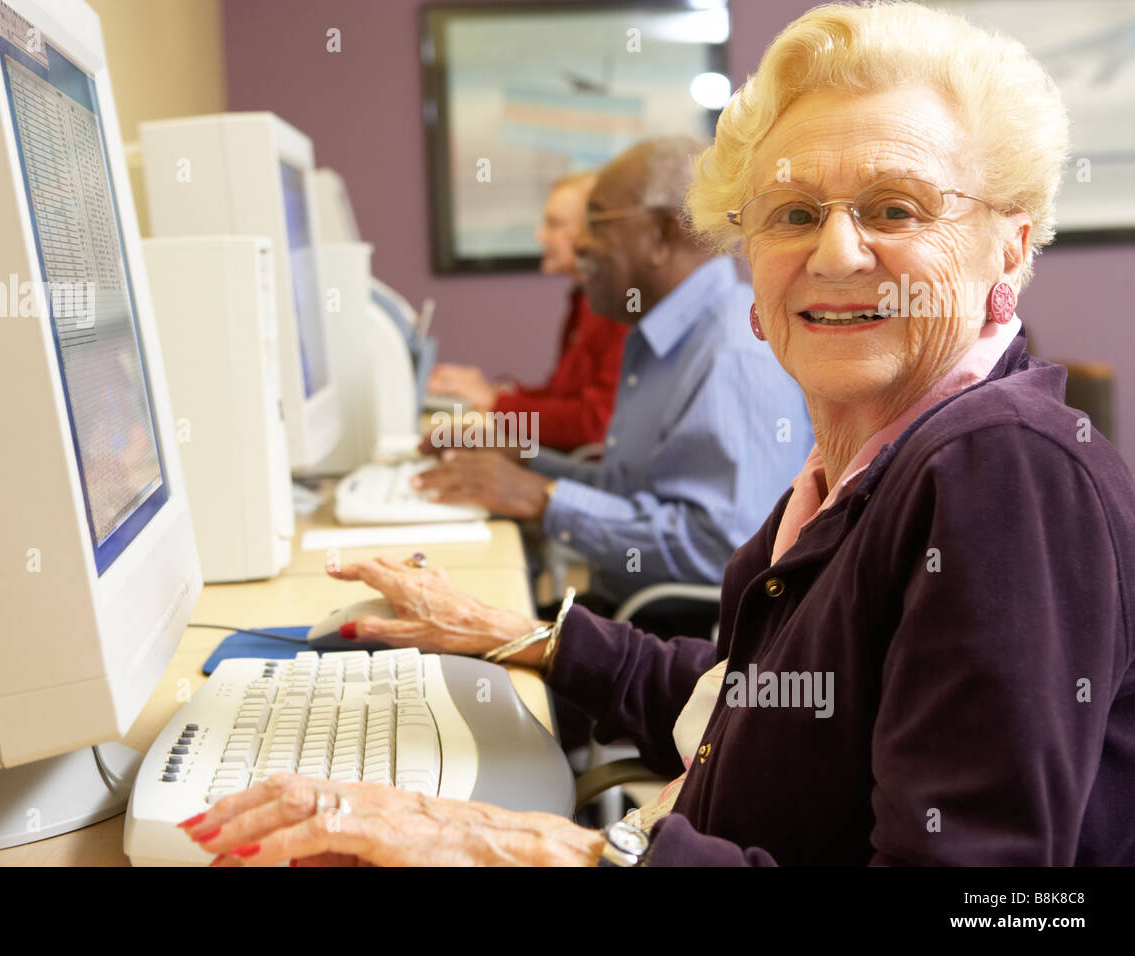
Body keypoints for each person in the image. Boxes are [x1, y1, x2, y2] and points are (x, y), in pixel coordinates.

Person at [181, 2, 1135, 866]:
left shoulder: (1003, 472)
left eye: (898, 208)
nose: (837, 252)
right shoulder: (857, 465)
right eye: (793, 214)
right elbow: (753, 703)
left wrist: (555, 852)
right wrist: (526, 636)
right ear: (751, 268)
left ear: (1008, 243)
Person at [416, 136, 813, 632]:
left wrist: (541, 498)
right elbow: (632, 493)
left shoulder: (732, 355)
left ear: (661, 235)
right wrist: (525, 457)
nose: (580, 242)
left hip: (675, 641)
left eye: (597, 222)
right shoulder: (658, 338)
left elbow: (722, 546)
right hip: (628, 615)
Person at [427, 171, 630, 452]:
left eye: (554, 224)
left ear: (592, 232)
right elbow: (563, 396)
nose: (540, 236)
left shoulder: (619, 310)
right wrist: (496, 393)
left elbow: (594, 424)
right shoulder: (585, 300)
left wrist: (496, 404)